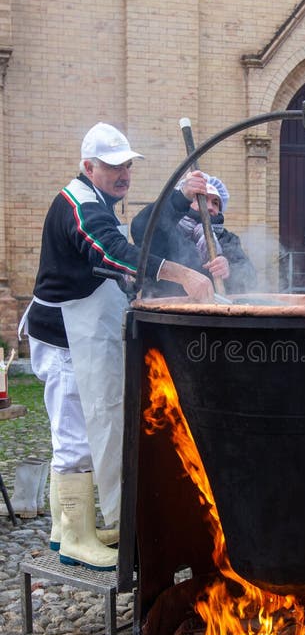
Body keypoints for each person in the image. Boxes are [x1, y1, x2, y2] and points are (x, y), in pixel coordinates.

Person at [20, 123, 213, 571]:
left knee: (84, 429)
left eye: (127, 165)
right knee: (73, 436)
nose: (123, 173)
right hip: (63, 336)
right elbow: (107, 250)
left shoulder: (97, 199)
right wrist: (181, 274)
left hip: (76, 332)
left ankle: (70, 527)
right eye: (113, 166)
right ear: (89, 167)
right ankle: (75, 538)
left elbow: (116, 254)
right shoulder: (81, 203)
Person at [130, 171, 257, 296]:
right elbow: (141, 227)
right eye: (202, 199)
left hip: (212, 313)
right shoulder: (166, 229)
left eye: (215, 202)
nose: (210, 207)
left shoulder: (227, 239)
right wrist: (181, 197)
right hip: (166, 311)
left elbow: (250, 278)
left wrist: (229, 270)